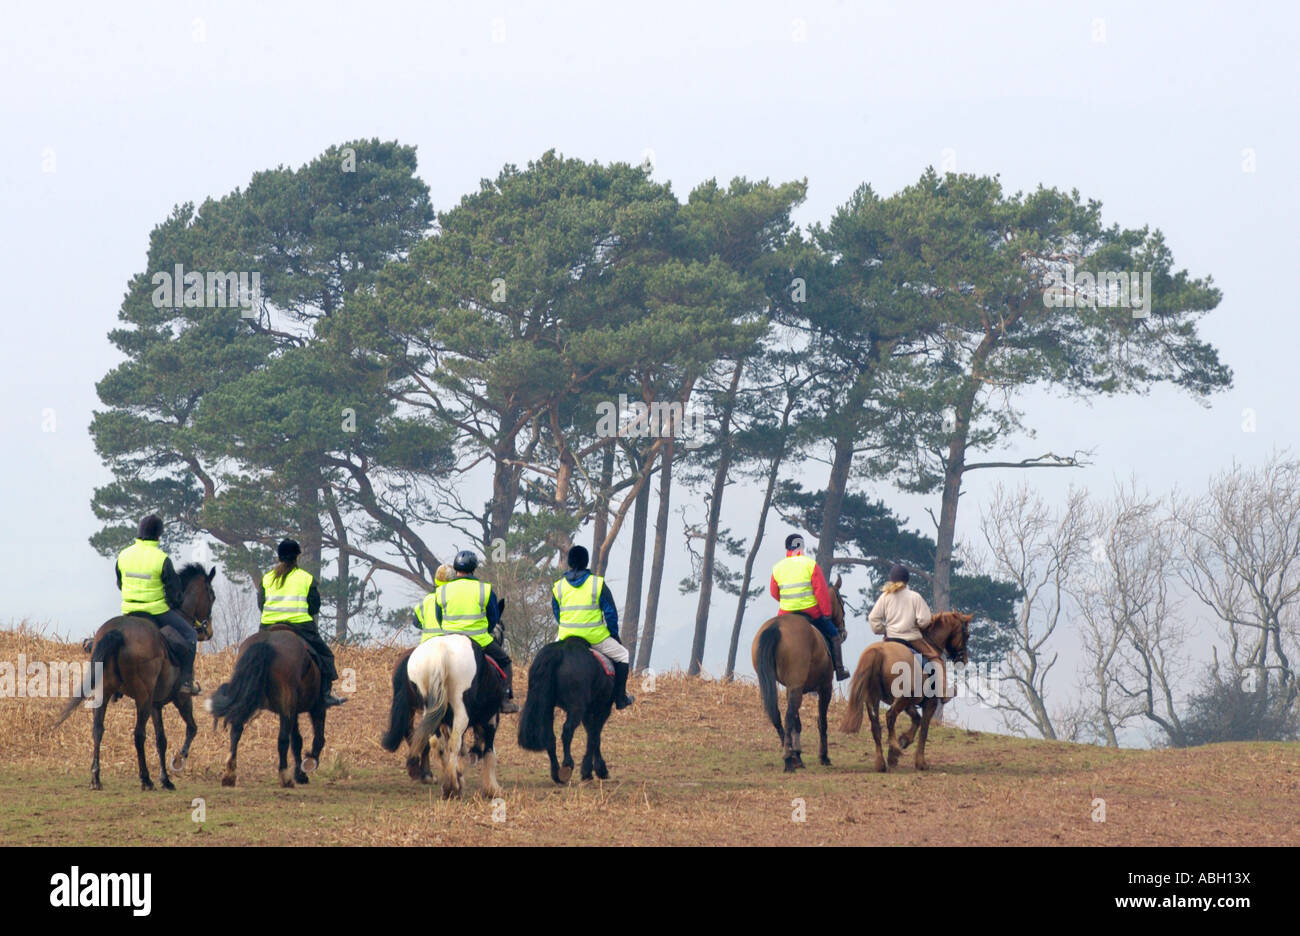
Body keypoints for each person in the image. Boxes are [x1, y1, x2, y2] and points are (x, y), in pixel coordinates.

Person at [415, 550, 519, 714]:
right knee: (505, 661)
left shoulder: (443, 591)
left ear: (456, 569)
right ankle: (505, 700)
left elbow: (439, 616)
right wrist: (486, 630)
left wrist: (450, 633)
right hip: (480, 639)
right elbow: (493, 616)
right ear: (474, 568)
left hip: (450, 639)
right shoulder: (485, 589)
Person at [115, 515, 200, 695]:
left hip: (129, 611)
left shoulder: (123, 555)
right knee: (191, 634)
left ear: (139, 532)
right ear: (158, 535)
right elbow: (175, 593)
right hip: (156, 611)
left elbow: (120, 584)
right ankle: (186, 682)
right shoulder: (161, 559)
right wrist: (174, 603)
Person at [257, 539, 347, 707]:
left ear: (278, 558)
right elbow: (314, 607)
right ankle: (325, 694)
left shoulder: (266, 579)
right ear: (297, 557)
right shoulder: (306, 578)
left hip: (268, 627)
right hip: (301, 627)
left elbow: (261, 605)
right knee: (326, 656)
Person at [551, 545, 634, 710]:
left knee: (546, 658)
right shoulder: (597, 584)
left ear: (569, 563)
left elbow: (556, 612)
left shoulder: (558, 586)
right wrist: (613, 634)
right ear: (586, 562)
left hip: (565, 636)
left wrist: (567, 627)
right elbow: (610, 614)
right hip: (594, 637)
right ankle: (620, 698)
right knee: (624, 655)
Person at [770, 533, 850, 680]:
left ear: (787, 548)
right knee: (834, 634)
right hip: (811, 613)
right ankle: (840, 670)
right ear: (801, 546)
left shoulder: (777, 568)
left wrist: (788, 602)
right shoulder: (810, 565)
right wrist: (826, 613)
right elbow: (821, 592)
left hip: (785, 614)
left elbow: (774, 593)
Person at [868, 564, 952, 700]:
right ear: (907, 580)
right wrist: (917, 625)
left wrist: (884, 629)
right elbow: (925, 621)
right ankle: (942, 693)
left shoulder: (885, 596)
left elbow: (873, 618)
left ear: (892, 579)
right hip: (912, 639)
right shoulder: (915, 597)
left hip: (890, 640)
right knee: (936, 660)